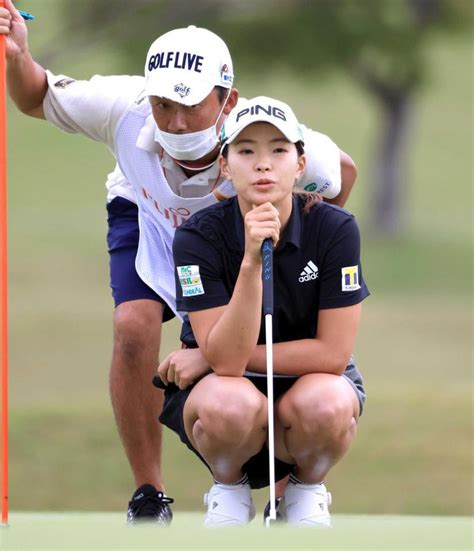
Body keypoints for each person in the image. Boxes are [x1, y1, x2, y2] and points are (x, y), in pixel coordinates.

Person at [0, 0, 358, 523]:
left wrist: (301, 244)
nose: (177, 120)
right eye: (164, 104)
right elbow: (35, 96)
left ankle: (286, 492)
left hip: (237, 229)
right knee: (134, 324)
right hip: (147, 211)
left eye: (191, 105)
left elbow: (342, 174)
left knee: (274, 329)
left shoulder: (267, 143)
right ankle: (149, 494)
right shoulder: (123, 107)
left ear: (227, 99)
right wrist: (17, 55)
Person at [161, 96, 369, 527]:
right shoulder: (197, 239)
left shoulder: (336, 230)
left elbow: (333, 355)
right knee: (227, 403)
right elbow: (228, 366)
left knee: (329, 401)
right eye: (246, 150)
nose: (262, 164)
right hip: (224, 393)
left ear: (300, 164)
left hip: (309, 384)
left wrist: (206, 357)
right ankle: (229, 489)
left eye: (278, 150)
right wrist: (251, 262)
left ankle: (305, 490)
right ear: (224, 165)